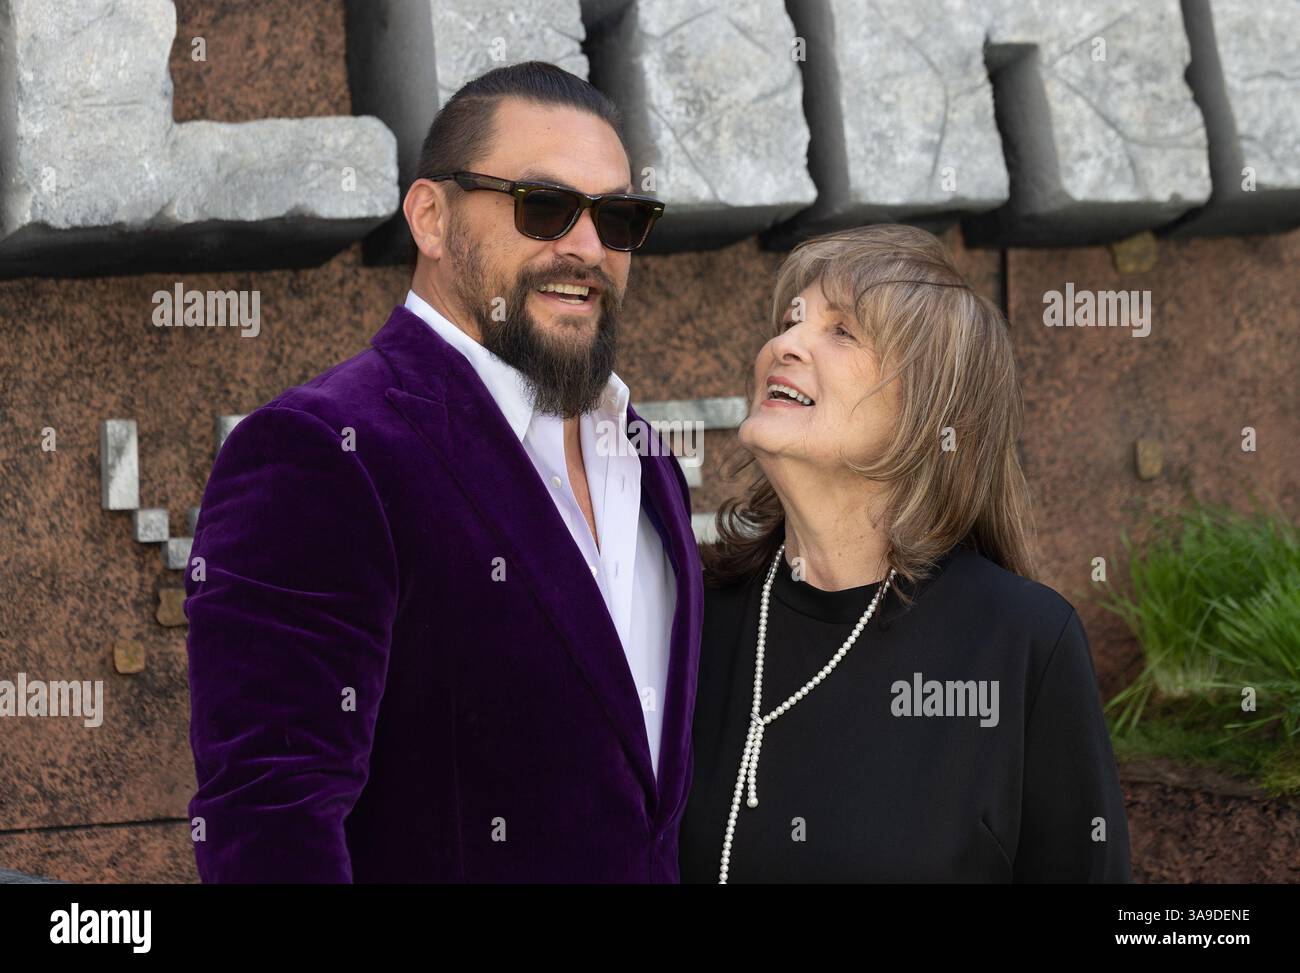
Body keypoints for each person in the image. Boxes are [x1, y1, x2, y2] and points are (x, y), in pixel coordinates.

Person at [185, 61, 702, 882]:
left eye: (618, 216)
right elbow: (270, 817)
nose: (586, 246)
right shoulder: (323, 450)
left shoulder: (644, 458)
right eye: (545, 206)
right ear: (430, 217)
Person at [679, 224, 1132, 883]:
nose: (783, 344)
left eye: (842, 331)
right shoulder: (694, 612)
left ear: (926, 408)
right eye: (788, 321)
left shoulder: (1021, 640)